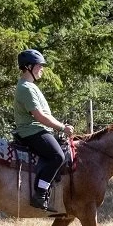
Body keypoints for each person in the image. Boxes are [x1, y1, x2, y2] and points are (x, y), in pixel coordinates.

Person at [13, 49, 75, 212]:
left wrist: (60, 126)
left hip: (39, 130)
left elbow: (45, 116)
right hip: (32, 132)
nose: (42, 68)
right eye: (39, 65)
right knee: (57, 156)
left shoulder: (31, 86)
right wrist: (62, 127)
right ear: (28, 67)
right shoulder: (26, 88)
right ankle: (40, 193)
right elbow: (40, 116)